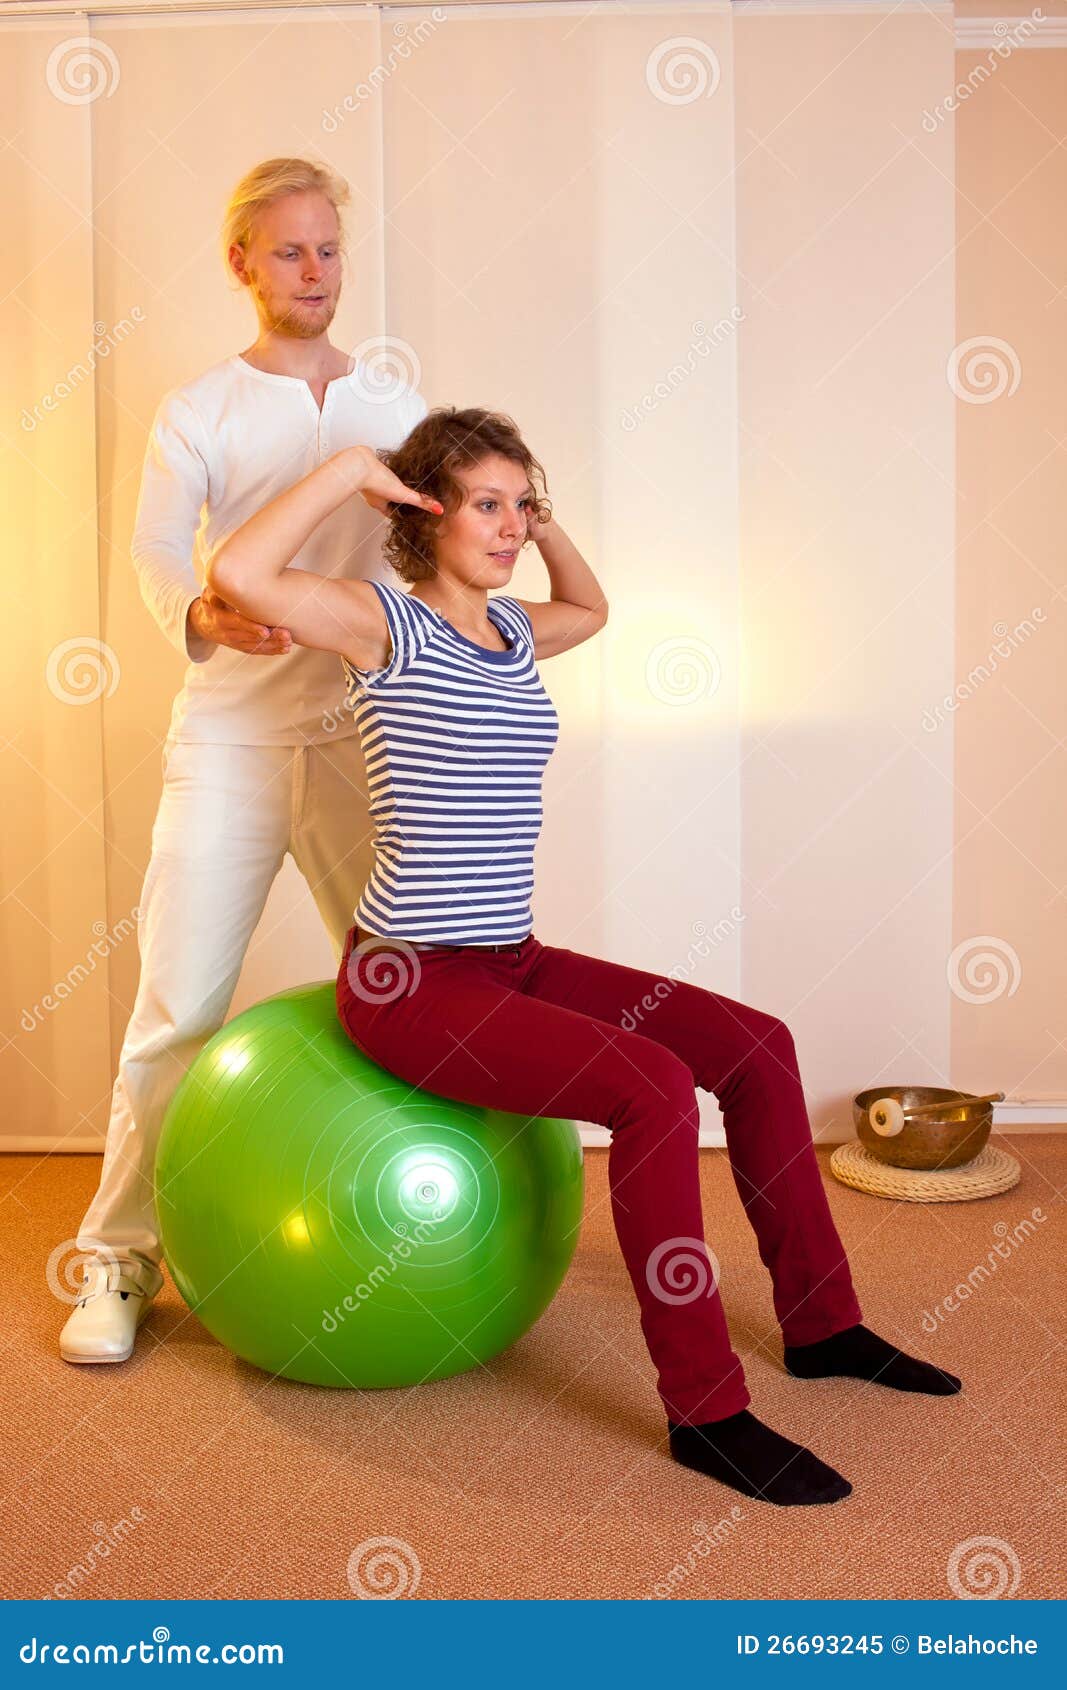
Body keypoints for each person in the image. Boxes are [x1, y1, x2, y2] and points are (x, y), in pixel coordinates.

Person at [202, 405, 963, 1507]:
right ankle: (705, 1411)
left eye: (525, 502)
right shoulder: (382, 625)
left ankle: (822, 1323)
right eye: (487, 505)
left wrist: (546, 525)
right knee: (652, 1089)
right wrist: (347, 471)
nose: (511, 526)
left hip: (511, 956)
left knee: (755, 1045)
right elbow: (241, 567)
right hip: (407, 979)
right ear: (426, 512)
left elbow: (593, 608)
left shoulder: (516, 633)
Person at [58, 156, 429, 1365]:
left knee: (410, 996)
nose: (313, 271)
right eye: (288, 252)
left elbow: (438, 556)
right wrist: (200, 615)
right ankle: (117, 1265)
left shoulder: (392, 405)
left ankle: (422, 1225)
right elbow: (162, 546)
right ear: (242, 265)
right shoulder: (199, 408)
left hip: (358, 739)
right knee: (175, 1012)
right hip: (226, 737)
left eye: (327, 249)